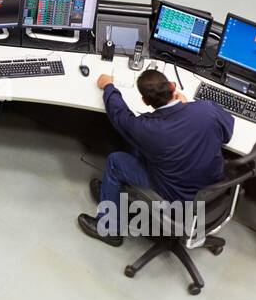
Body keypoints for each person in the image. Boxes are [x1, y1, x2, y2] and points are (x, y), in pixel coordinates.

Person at [77, 67, 234, 246]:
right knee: (144, 149)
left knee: (116, 161)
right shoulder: (206, 109)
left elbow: (120, 115)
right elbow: (227, 133)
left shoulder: (147, 129)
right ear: (173, 87)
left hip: (179, 198)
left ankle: (109, 227)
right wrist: (187, 107)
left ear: (144, 101)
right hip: (213, 188)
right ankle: (110, 194)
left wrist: (108, 86)